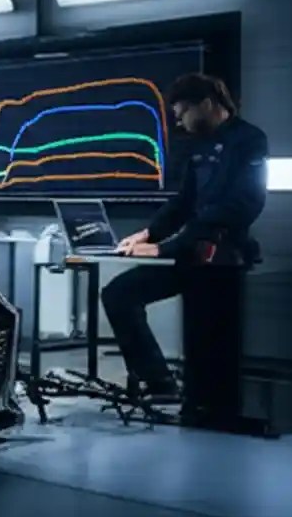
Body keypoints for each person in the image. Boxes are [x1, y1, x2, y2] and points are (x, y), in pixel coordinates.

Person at [103, 73, 268, 417]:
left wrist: (165, 249)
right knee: (119, 294)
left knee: (208, 344)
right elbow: (184, 201)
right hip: (187, 251)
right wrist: (150, 234)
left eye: (181, 113)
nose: (178, 121)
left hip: (223, 257)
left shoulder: (250, 140)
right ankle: (160, 383)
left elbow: (241, 205)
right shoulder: (199, 145)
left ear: (206, 104)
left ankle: (211, 407)